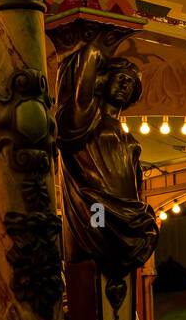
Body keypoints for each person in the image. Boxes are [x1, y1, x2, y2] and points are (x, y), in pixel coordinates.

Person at [55, 39, 158, 277]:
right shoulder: (86, 121)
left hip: (128, 213)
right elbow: (87, 63)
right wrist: (96, 45)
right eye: (120, 77)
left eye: (131, 83)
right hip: (97, 206)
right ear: (103, 80)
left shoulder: (125, 134)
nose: (124, 84)